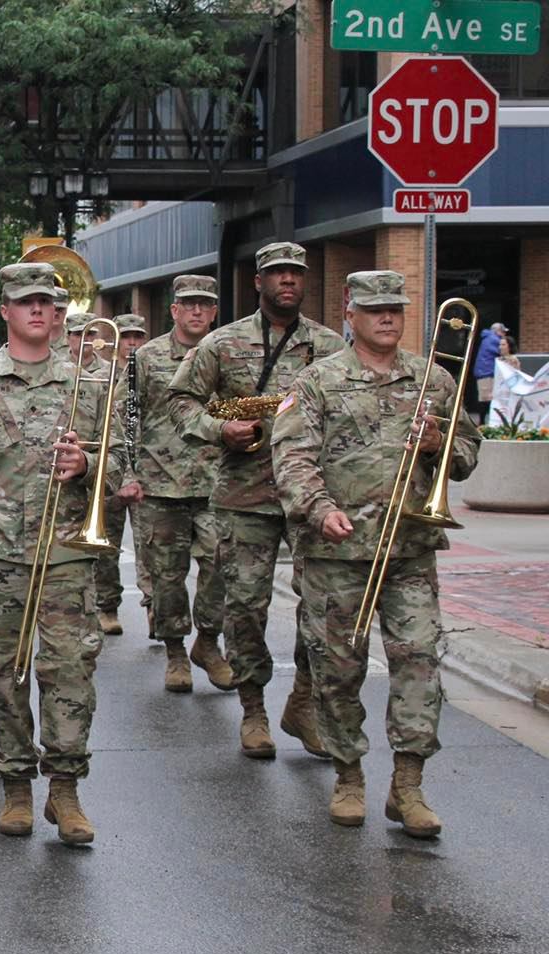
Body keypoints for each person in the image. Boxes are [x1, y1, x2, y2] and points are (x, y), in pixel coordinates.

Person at [273, 270, 480, 835]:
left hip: (409, 549)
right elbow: (291, 456)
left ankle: (408, 785)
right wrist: (318, 509)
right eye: (375, 309)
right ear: (351, 313)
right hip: (337, 553)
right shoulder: (317, 381)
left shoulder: (432, 378)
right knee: (338, 668)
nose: (387, 317)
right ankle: (348, 773)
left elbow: (468, 450)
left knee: (419, 659)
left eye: (395, 308)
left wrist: (444, 446)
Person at [0, 262, 121, 845]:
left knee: (70, 671)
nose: (38, 310)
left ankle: (65, 789)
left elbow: (125, 461)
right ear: (7, 313)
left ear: (60, 312)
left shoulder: (89, 381)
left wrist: (90, 465)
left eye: (48, 302)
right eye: (26, 302)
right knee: (3, 673)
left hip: (67, 551)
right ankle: (16, 784)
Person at [167, 241, 345, 760]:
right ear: (258, 283)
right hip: (245, 496)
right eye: (277, 273)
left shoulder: (331, 345)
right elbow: (181, 402)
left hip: (311, 496)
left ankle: (303, 701)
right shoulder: (223, 343)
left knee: (323, 606)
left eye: (295, 273)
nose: (287, 280)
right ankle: (253, 709)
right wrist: (220, 428)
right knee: (245, 607)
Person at [125, 276, 233, 692]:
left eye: (204, 305)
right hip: (160, 483)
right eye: (188, 304)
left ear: (213, 312)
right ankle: (174, 652)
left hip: (217, 483)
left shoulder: (226, 353)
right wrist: (128, 473)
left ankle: (207, 641)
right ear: (174, 310)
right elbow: (126, 417)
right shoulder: (147, 357)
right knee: (167, 577)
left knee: (220, 566)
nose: (196, 312)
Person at [93, 313, 152, 636]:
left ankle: (153, 605)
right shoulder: (102, 376)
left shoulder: (152, 371)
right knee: (107, 546)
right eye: (126, 337)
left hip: (147, 474)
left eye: (137, 337)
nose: (132, 343)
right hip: (111, 474)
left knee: (150, 547)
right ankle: (107, 606)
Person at [472, 321, 509, 422]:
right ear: (498, 331)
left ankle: (483, 420)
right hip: (486, 373)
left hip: (484, 372)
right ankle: (483, 421)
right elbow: (503, 352)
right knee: (486, 399)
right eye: (503, 332)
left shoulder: (487, 338)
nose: (504, 335)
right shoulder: (493, 339)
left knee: (486, 398)